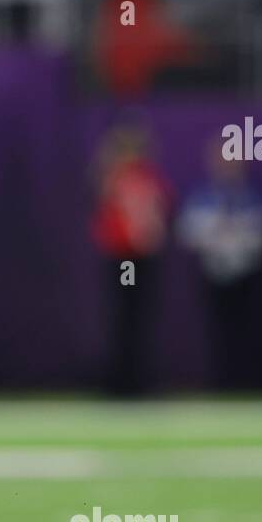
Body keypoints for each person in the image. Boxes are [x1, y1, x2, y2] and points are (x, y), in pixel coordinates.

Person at [177, 143, 262, 390]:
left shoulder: (251, 197)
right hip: (214, 272)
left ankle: (249, 384)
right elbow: (188, 232)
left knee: (249, 332)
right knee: (219, 332)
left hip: (246, 272)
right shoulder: (204, 197)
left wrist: (235, 238)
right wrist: (216, 234)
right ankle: (221, 384)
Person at [90, 123, 172, 395]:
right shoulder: (115, 177)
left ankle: (137, 380)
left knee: (138, 319)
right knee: (122, 319)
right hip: (121, 258)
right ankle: (121, 380)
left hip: (140, 258)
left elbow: (157, 217)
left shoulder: (146, 178)